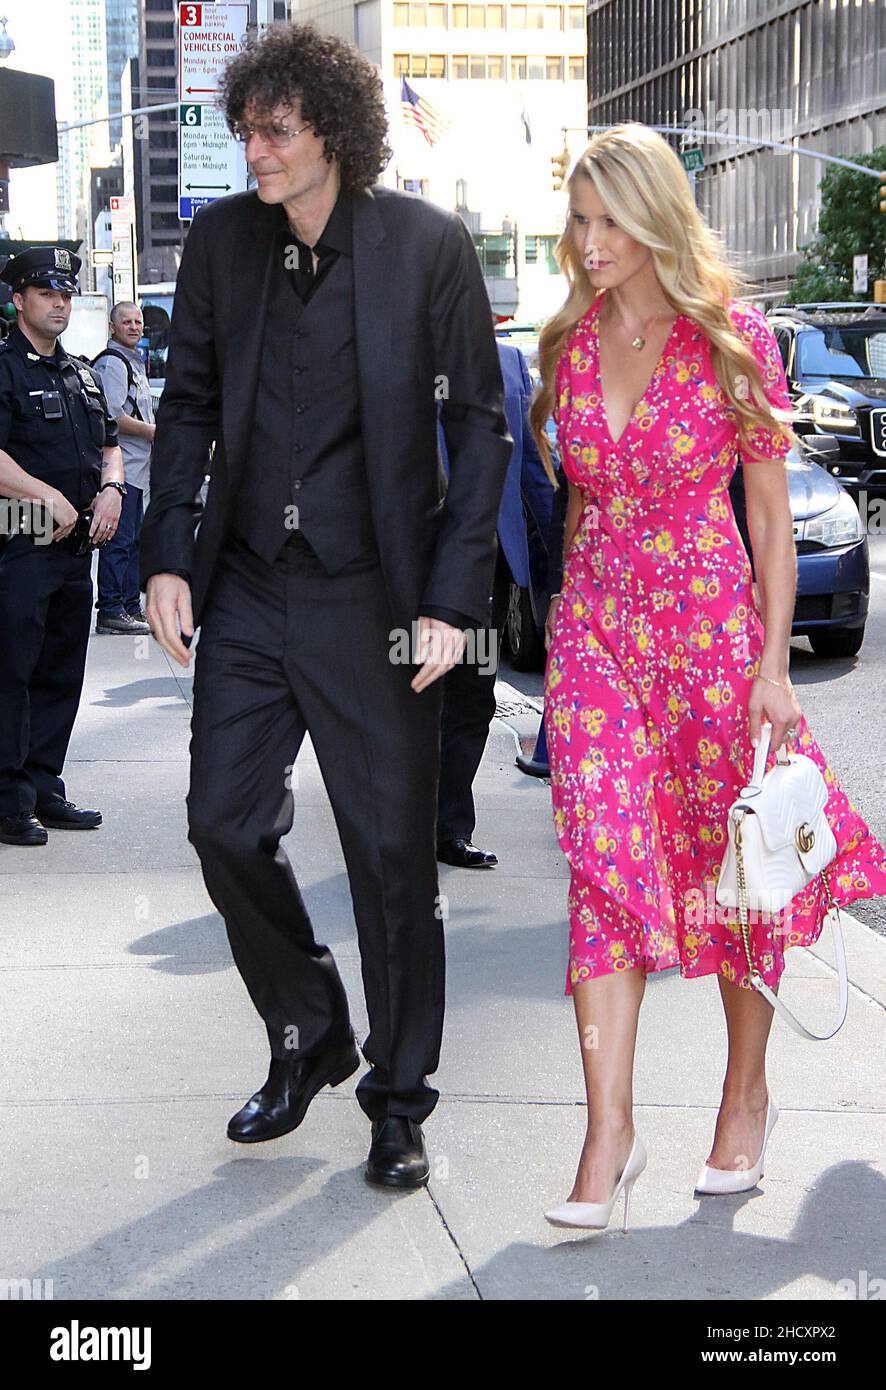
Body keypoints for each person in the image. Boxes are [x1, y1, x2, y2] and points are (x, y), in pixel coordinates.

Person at [139, 23, 511, 1188]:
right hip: (251, 585)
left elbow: (477, 430)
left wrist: (455, 601)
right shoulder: (220, 245)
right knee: (221, 822)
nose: (255, 149)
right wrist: (166, 558)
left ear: (332, 135)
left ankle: (397, 1101)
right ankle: (310, 1026)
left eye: (276, 132)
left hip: (382, 598)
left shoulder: (426, 248)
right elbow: (189, 405)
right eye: (246, 128)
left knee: (393, 858)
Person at [529, 124, 886, 1230]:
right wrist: (560, 621)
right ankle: (609, 1134)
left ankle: (744, 1096)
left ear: (655, 219)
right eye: (578, 222)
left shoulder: (733, 338)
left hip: (711, 639)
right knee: (601, 857)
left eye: (607, 221)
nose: (588, 243)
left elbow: (772, 522)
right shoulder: (570, 342)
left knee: (735, 872)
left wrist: (774, 667)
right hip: (597, 635)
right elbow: (580, 502)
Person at [0, 247, 124, 846]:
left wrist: (112, 490)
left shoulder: (80, 371)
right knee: (12, 674)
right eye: (47, 293)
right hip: (19, 543)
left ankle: (45, 787)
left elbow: (108, 444)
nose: (59, 303)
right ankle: (8, 800)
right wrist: (43, 493)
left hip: (76, 548)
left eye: (66, 295)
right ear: (19, 299)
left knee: (60, 673)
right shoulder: (4, 366)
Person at [437, 336, 553, 868]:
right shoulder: (388, 343)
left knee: (472, 697)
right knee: (411, 698)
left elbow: (531, 466)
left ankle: (449, 830)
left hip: (482, 567)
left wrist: (560, 564)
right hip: (411, 565)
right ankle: (400, 829)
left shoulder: (507, 361)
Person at [91, 301, 155, 634]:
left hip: (137, 468)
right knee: (118, 541)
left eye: (138, 322)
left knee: (132, 541)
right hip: (122, 469)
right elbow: (112, 415)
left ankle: (130, 606)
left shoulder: (134, 362)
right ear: (112, 328)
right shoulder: (113, 363)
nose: (133, 327)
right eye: (126, 322)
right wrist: (153, 432)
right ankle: (112, 610)